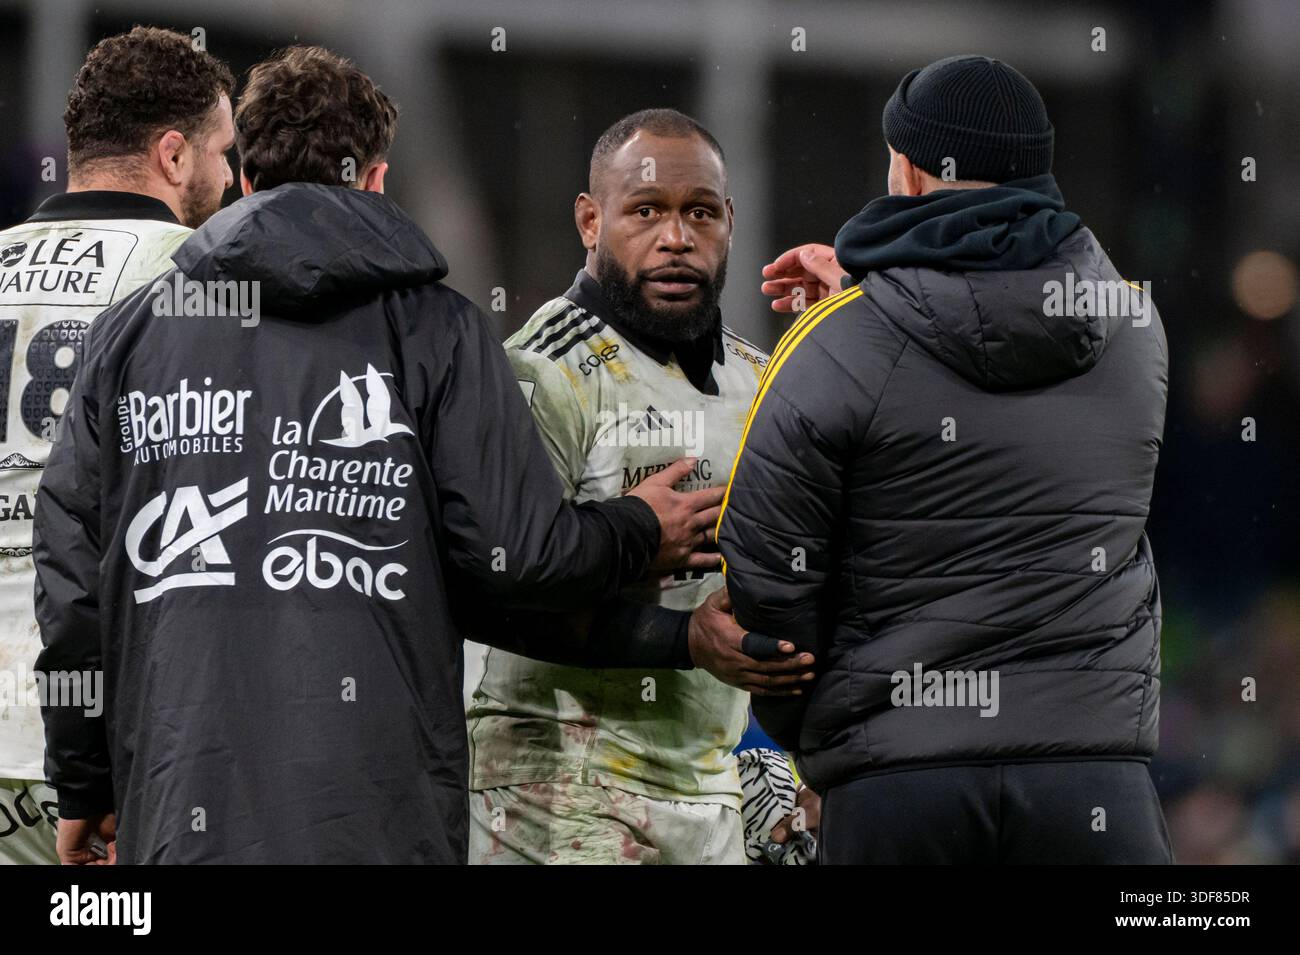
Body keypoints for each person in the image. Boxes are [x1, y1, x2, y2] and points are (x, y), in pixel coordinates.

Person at [33, 47, 716, 865]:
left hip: (186, 812)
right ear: (379, 177)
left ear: (246, 177)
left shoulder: (134, 334)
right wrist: (639, 527)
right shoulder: (443, 331)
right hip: (384, 823)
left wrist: (83, 783)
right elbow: (519, 558)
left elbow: (74, 590)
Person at [720, 55, 1172, 864]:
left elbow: (766, 580)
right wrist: (868, 307)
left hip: (898, 788)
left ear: (908, 167)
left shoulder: (835, 344)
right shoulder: (1136, 330)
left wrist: (815, 736)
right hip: (1098, 787)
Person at [466, 109, 814, 865]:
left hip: (711, 794)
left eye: (701, 212)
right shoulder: (540, 370)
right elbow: (486, 594)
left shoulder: (765, 380)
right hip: (550, 792)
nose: (677, 238)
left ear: (730, 221)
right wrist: (682, 638)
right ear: (590, 221)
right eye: (647, 211)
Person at [0, 26, 235, 865]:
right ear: (174, 155)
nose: (233, 180)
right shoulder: (201, 278)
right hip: (111, 737)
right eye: (223, 153)